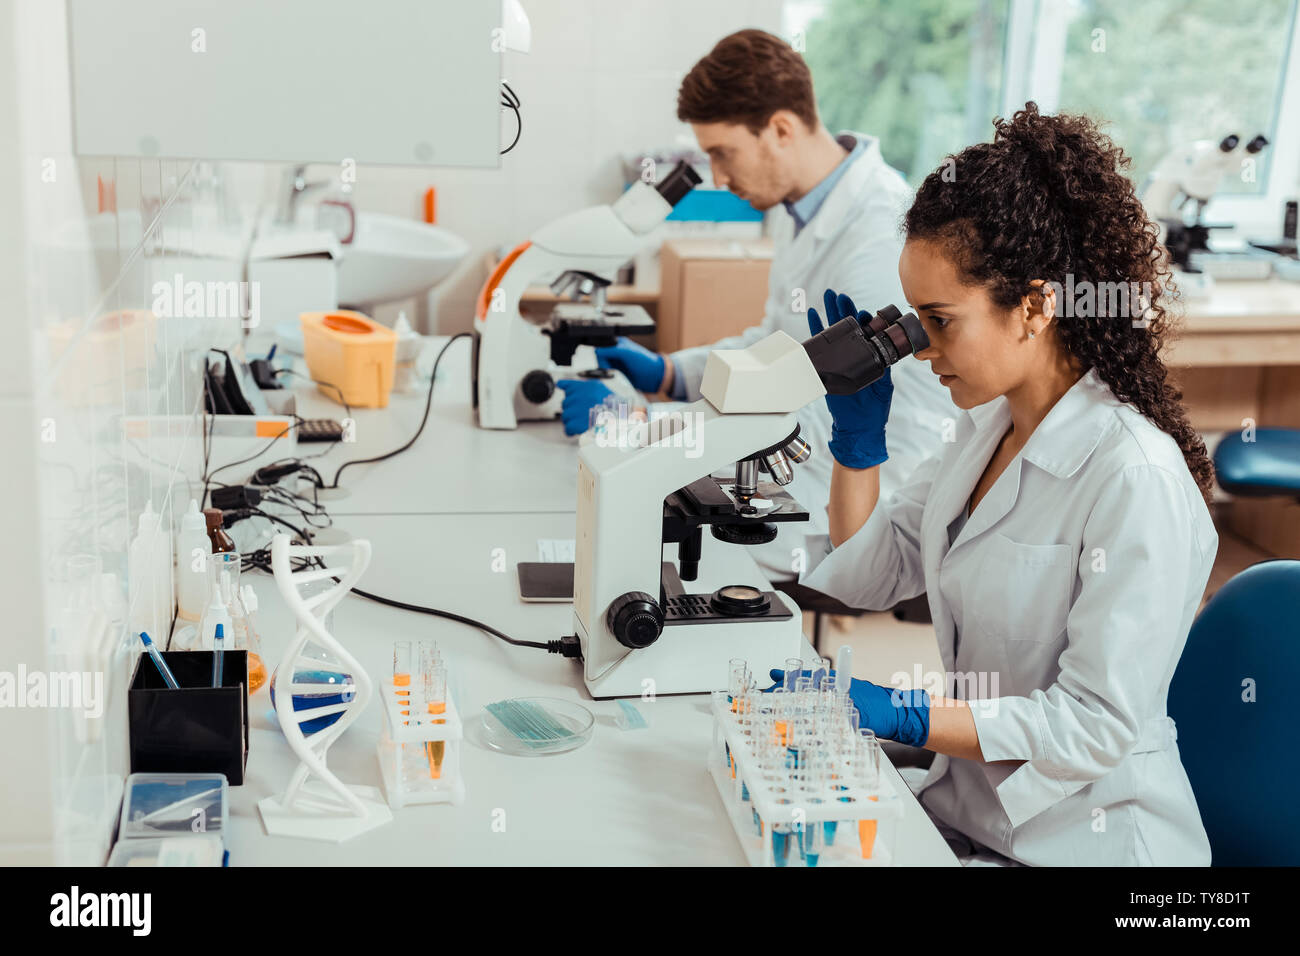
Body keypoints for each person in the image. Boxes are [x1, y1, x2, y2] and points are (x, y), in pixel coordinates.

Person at [792, 103, 1218, 866]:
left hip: (1088, 840)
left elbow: (1093, 723)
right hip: (972, 814)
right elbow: (868, 572)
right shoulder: (986, 432)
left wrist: (908, 713)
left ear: (1034, 305)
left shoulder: (1134, 477)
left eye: (940, 321)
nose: (922, 350)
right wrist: (859, 445)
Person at [557, 29, 954, 580]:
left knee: (631, 542)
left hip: (844, 495)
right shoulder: (796, 209)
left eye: (723, 153)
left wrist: (648, 423)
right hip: (785, 464)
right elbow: (774, 347)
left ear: (781, 130)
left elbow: (839, 410)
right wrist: (671, 372)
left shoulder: (880, 236)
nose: (717, 178)